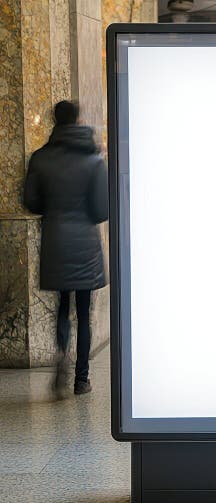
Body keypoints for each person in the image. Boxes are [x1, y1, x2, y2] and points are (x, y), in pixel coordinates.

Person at [23, 101, 108, 396]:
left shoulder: (40, 158)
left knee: (62, 306)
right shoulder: (93, 160)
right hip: (84, 246)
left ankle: (62, 355)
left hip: (55, 242)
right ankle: (82, 379)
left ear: (54, 120)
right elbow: (101, 210)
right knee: (84, 313)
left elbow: (30, 202)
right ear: (77, 120)